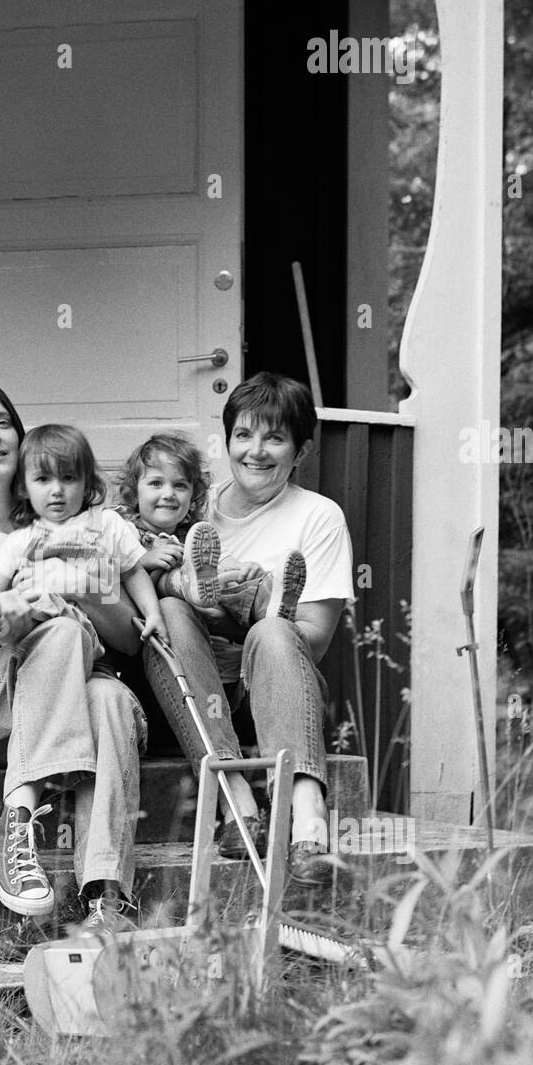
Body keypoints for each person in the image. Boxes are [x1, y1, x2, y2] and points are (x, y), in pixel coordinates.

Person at [0, 378, 149, 933]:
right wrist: (0, 623)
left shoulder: (74, 524)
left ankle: (106, 896)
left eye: (1, 422)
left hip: (71, 698)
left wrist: (86, 586)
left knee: (110, 695)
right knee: (61, 636)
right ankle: (16, 822)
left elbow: (129, 642)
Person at [140, 374, 354, 882]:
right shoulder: (193, 502)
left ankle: (307, 818)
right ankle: (239, 806)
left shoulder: (318, 517)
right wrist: (188, 590)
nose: (256, 452)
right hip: (191, 685)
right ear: (228, 439)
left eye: (274, 438)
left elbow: (316, 641)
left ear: (301, 451)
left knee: (276, 630)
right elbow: (135, 561)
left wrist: (245, 615)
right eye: (244, 435)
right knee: (170, 609)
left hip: (272, 691)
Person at [113, 431, 307, 626]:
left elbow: (220, 559)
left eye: (180, 485)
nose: (169, 494)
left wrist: (242, 569)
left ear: (192, 496)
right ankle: (191, 584)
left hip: (198, 604)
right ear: (134, 492)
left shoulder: (192, 534)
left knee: (225, 583)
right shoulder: (125, 529)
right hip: (155, 604)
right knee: (171, 577)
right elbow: (112, 576)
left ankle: (265, 599)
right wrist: (144, 561)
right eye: (156, 483)